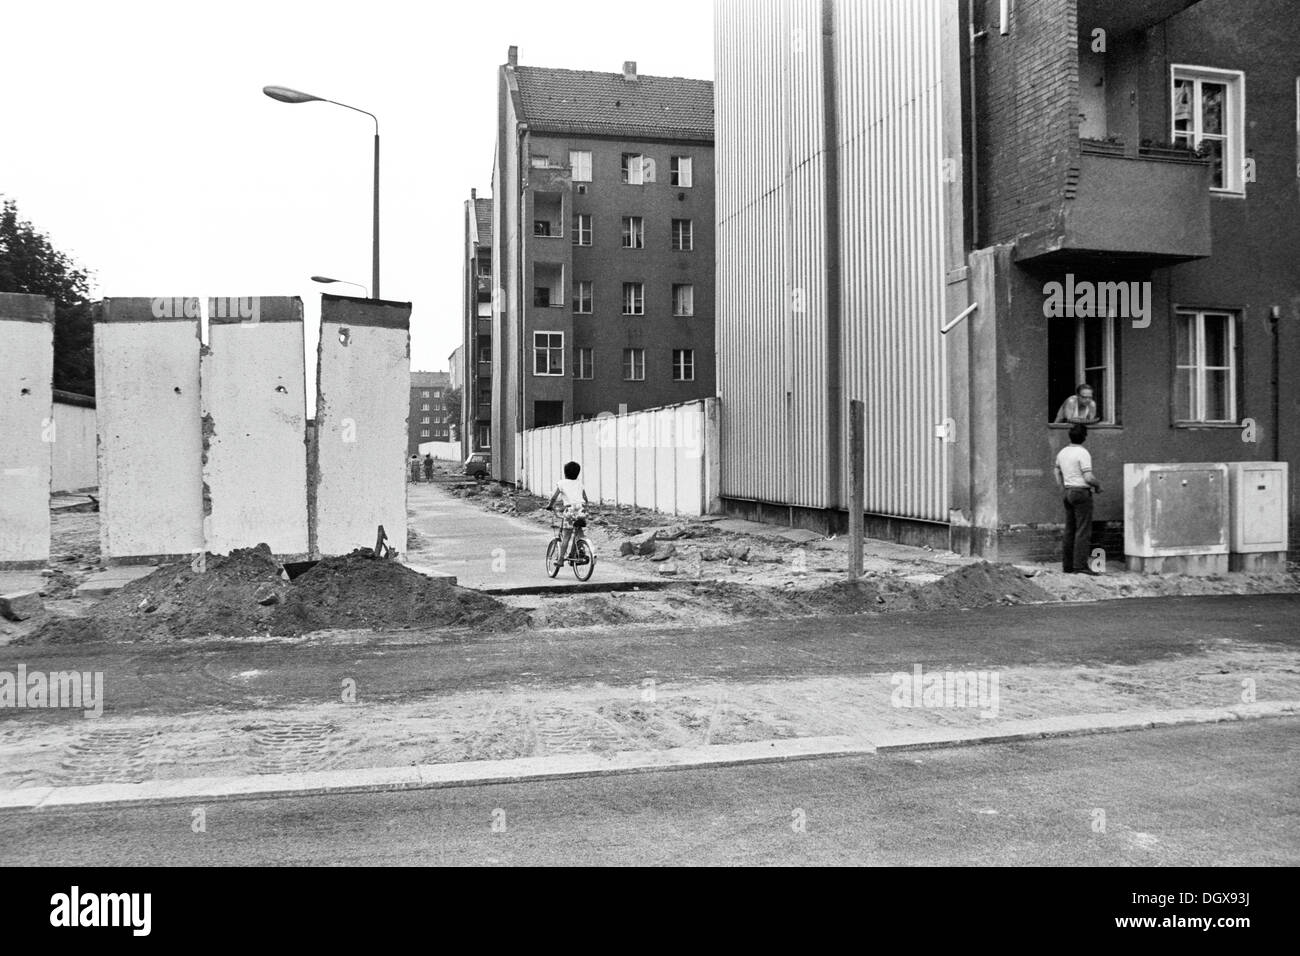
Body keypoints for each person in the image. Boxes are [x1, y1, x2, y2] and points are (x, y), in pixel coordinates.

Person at [1054, 423, 1102, 575]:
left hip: (1068, 491)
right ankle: (1080, 566)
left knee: (1070, 529)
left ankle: (1067, 566)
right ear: (1084, 437)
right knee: (1083, 530)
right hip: (1081, 492)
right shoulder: (1083, 453)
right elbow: (1088, 477)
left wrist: (1062, 486)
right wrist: (1098, 485)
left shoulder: (1062, 452)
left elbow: (1056, 470)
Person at [546, 460, 590, 565]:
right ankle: (579, 552)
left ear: (565, 473)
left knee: (566, 535)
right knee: (579, 532)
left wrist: (549, 506)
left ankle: (561, 560)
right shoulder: (580, 484)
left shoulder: (561, 483)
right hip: (581, 509)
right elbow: (585, 498)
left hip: (570, 510)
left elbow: (554, 498)